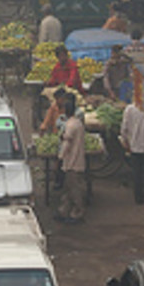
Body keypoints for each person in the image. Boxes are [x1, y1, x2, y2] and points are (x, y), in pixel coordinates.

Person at [57, 92, 86, 224]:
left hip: (72, 162)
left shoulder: (70, 126)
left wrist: (60, 156)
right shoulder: (78, 123)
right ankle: (63, 211)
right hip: (77, 161)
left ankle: (78, 213)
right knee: (68, 189)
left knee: (74, 190)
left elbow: (66, 144)